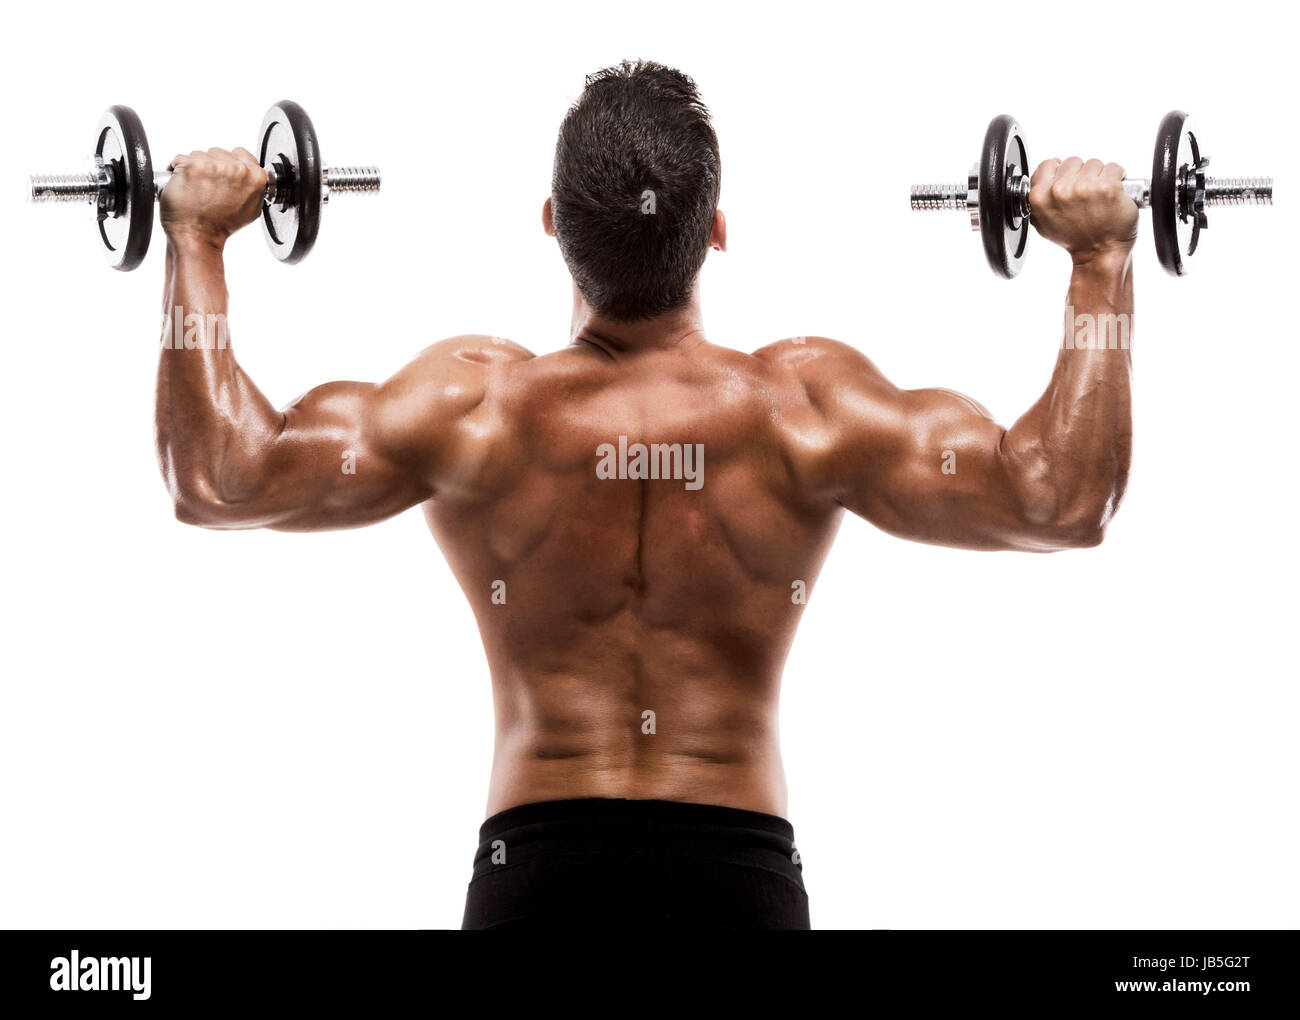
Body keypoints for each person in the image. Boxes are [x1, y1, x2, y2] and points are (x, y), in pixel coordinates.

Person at [154, 60, 1135, 929]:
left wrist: (197, 236)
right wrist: (1098, 262)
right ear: (713, 229)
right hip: (734, 878)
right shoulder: (807, 411)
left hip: (533, 873)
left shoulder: (470, 410)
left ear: (552, 224)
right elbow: (1058, 499)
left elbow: (219, 479)